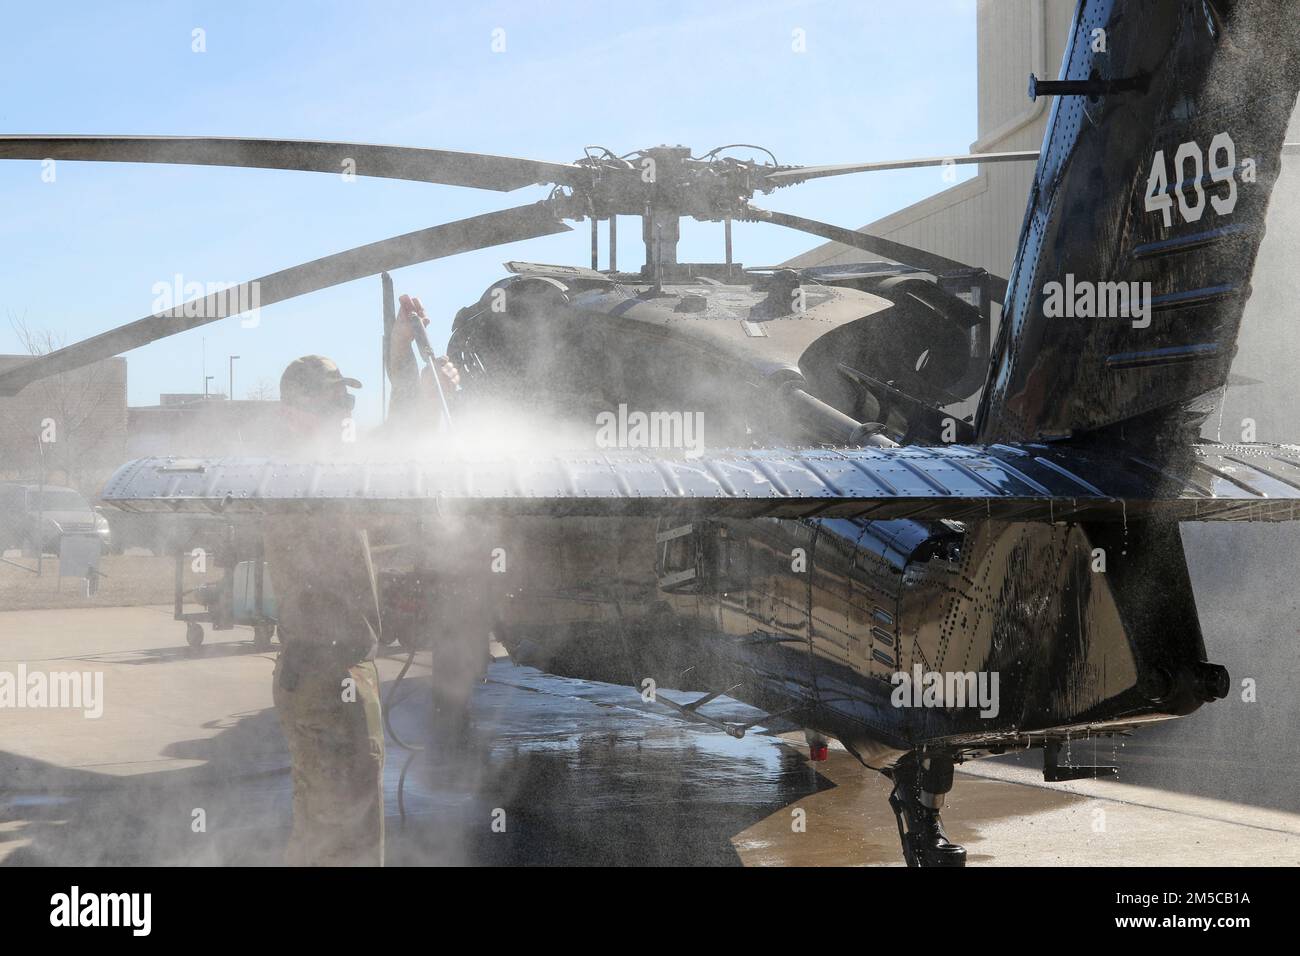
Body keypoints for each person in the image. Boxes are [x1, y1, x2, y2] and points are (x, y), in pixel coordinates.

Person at [265, 296, 457, 866]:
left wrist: (400, 355)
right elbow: (385, 467)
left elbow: (376, 461)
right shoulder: (307, 477)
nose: (344, 411)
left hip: (320, 672)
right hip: (329, 675)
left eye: (346, 399)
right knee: (345, 837)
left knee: (327, 828)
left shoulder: (312, 467)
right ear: (294, 415)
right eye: (330, 405)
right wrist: (419, 397)